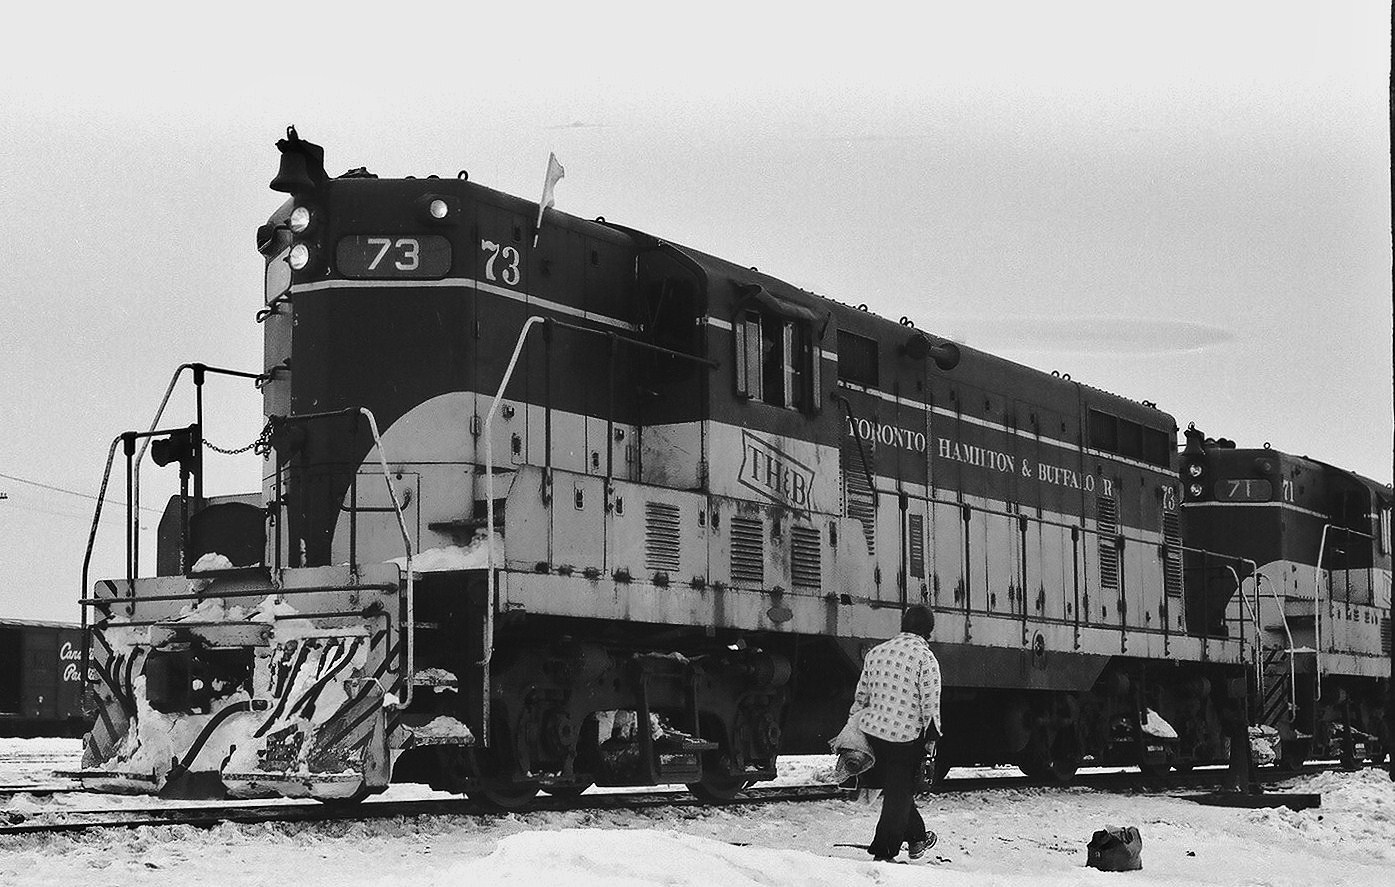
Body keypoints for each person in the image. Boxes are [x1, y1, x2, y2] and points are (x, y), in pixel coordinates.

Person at [849, 604, 942, 862]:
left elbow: (861, 697)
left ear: (903, 625)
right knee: (899, 794)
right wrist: (931, 740)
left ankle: (916, 838)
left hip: (873, 733)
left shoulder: (876, 653)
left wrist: (852, 728)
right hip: (904, 737)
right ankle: (884, 852)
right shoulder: (925, 658)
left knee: (895, 790)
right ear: (928, 632)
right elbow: (930, 705)